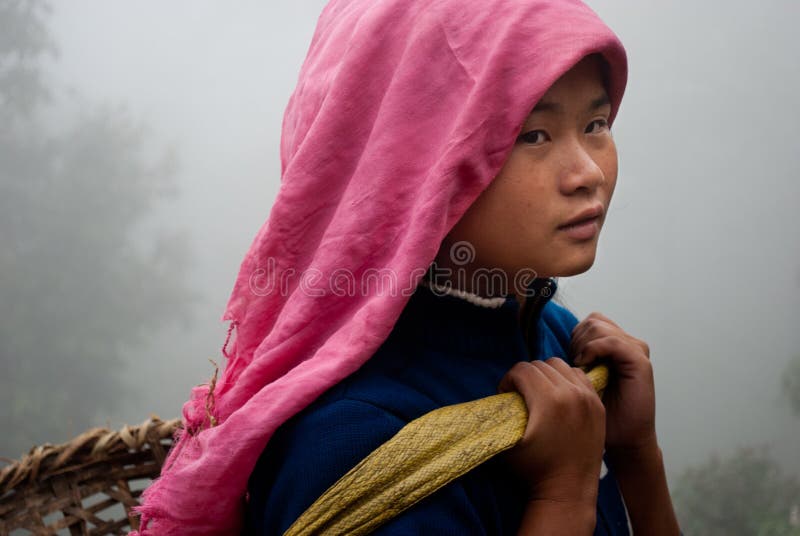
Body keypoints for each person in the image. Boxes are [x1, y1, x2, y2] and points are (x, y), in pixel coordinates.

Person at [134, 1, 681, 534]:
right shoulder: (356, 442)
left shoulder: (562, 341)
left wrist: (636, 456)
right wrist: (563, 493)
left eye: (596, 123)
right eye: (533, 135)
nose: (587, 171)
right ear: (416, 165)